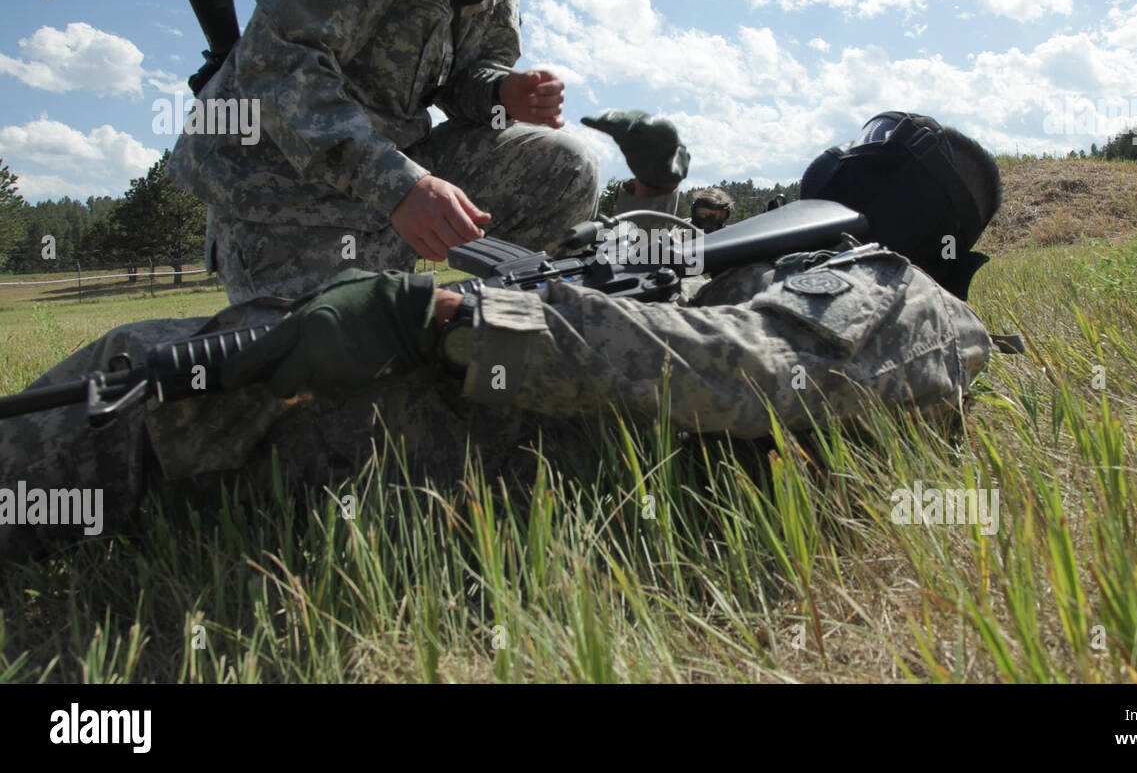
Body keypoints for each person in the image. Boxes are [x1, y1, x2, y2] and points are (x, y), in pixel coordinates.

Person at [0, 112, 1003, 562]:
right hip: (461, 421)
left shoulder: (899, 292)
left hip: (475, 446)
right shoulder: (771, 254)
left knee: (141, 387)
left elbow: (743, 369)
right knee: (148, 376)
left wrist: (451, 317)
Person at [167, 0, 611, 304]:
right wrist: (398, 186)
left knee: (566, 166)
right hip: (283, 187)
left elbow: (463, 75)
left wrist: (498, 91)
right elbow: (277, 63)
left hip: (394, 174)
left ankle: (491, 327)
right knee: (328, 366)